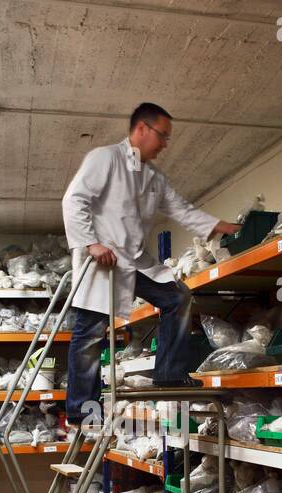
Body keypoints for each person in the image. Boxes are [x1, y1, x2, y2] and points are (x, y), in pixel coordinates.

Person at [60, 102, 240, 425]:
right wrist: (91, 243)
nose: (165, 144)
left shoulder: (154, 178)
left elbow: (181, 209)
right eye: (163, 136)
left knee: (178, 296)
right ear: (141, 129)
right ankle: (79, 408)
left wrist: (217, 225)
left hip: (133, 263)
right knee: (90, 334)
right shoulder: (105, 159)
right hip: (101, 263)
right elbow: (74, 199)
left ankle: (169, 373)